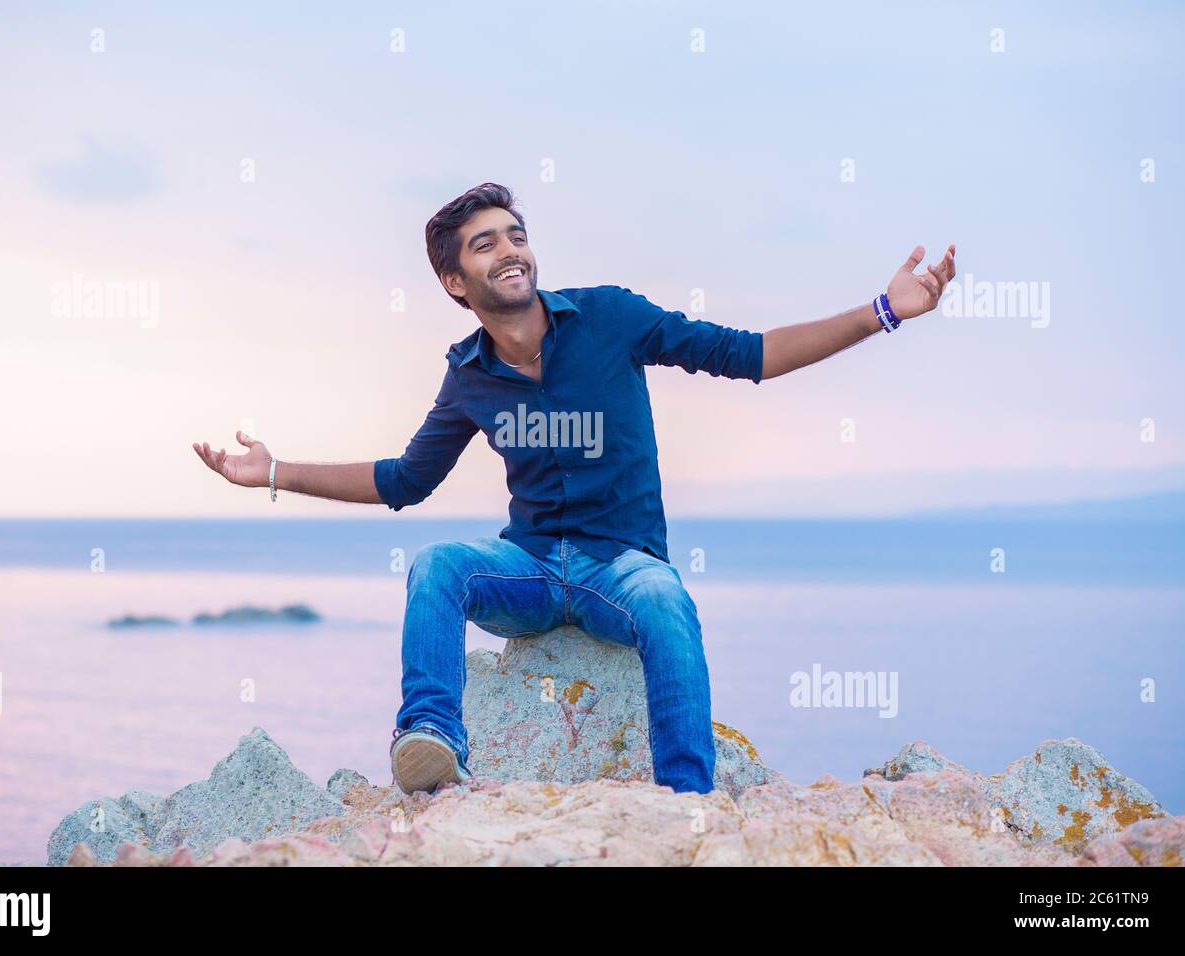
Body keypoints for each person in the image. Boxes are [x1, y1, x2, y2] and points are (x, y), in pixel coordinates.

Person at [192, 182, 956, 795]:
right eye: (485, 244)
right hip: (524, 570)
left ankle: (686, 801)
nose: (510, 250)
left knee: (665, 598)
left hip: (617, 568)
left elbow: (749, 354)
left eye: (516, 235)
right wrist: (275, 472)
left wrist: (884, 311)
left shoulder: (611, 317)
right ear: (456, 281)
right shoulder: (468, 375)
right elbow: (404, 480)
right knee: (436, 565)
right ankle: (429, 742)